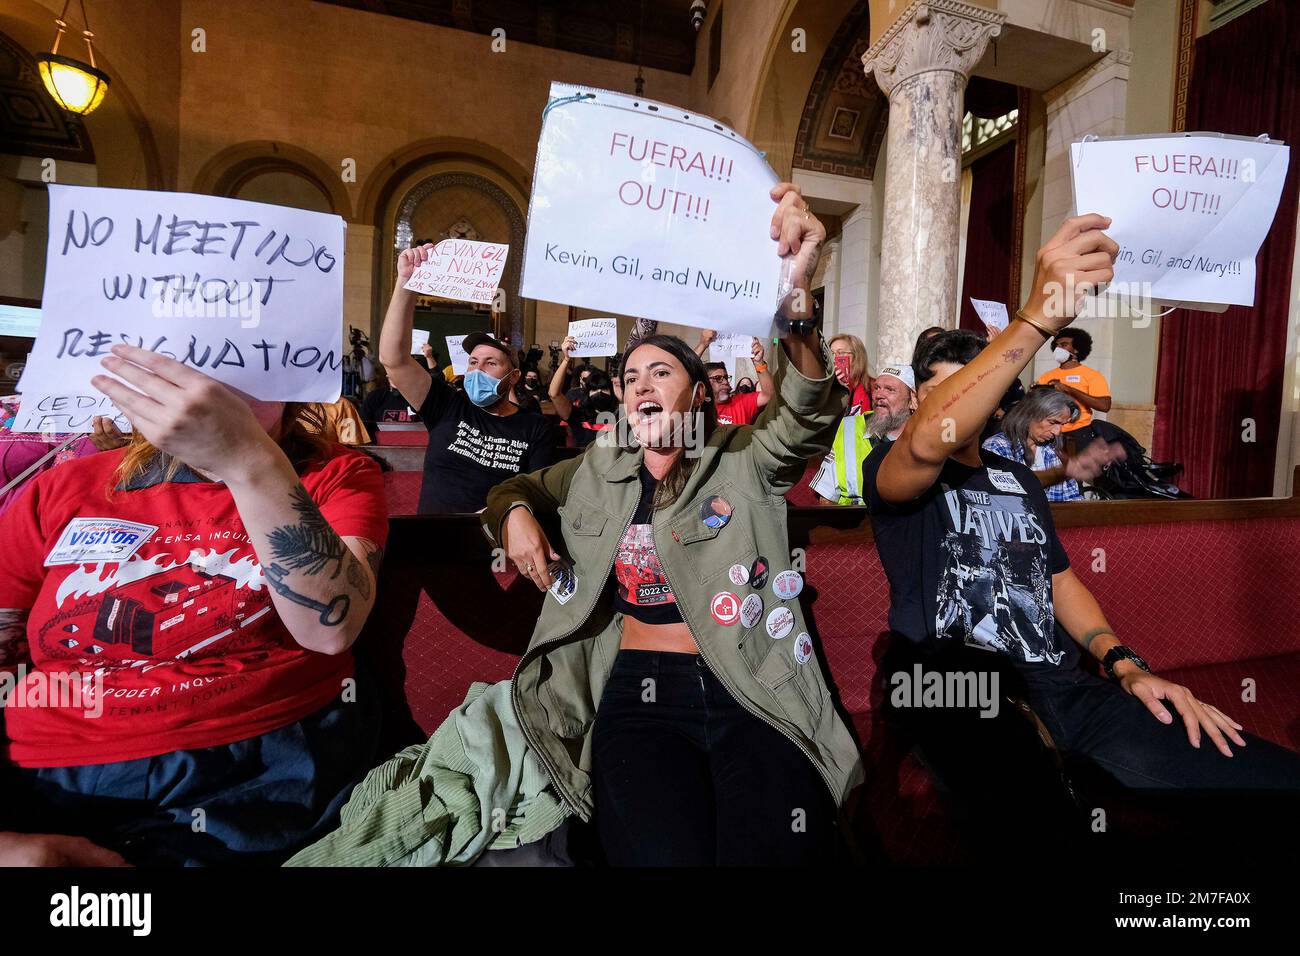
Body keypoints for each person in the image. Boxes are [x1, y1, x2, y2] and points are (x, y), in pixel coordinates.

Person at [862, 215, 1300, 850]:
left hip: (1061, 680)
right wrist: (1038, 315)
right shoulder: (896, 467)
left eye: (969, 387)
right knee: (1043, 827)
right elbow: (931, 438)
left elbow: (1060, 581)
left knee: (1263, 780)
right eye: (938, 387)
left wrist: (1125, 665)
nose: (951, 399)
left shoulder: (1017, 478)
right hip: (949, 680)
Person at [480, 183, 864, 865]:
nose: (642, 385)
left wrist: (797, 294)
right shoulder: (599, 468)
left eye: (662, 371)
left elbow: (806, 413)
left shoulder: (745, 459)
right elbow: (515, 487)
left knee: (779, 850)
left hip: (750, 679)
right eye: (630, 378)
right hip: (638, 688)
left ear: (697, 391)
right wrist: (513, 515)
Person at [0, 345, 387, 866]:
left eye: (251, 360)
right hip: (49, 768)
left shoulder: (334, 476)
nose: (208, 386)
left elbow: (331, 626)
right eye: (195, 358)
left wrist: (248, 462)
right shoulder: (64, 486)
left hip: (253, 768)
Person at [378, 243, 554, 514]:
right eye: (473, 362)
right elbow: (394, 359)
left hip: (495, 545)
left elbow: (539, 495)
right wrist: (406, 282)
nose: (477, 370)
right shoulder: (447, 405)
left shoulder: (534, 427)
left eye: (491, 363)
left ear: (514, 375)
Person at [982, 384, 1125, 501]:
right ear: (1029, 414)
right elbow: (1006, 494)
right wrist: (1063, 472)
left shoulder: (1052, 452)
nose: (1057, 432)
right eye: (1052, 422)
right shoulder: (997, 448)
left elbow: (1072, 501)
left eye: (1062, 425)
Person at [812, 363, 915, 506]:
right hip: (854, 524)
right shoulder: (848, 428)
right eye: (877, 388)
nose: (879, 395)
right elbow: (826, 498)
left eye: (890, 390)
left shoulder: (924, 438)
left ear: (912, 400)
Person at [0, 399, 126, 515]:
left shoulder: (129, 420)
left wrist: (119, 453)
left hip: (72, 528)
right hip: (10, 530)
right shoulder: (8, 408)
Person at [1036, 326, 1111, 445]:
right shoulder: (1046, 376)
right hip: (1050, 433)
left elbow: (1104, 405)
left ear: (1076, 349)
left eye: (1064, 345)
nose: (1058, 348)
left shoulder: (1092, 375)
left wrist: (1069, 389)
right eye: (1056, 345)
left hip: (1079, 433)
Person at [549, 337, 618, 448]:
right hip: (585, 461)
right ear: (587, 392)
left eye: (604, 388)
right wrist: (566, 359)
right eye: (594, 389)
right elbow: (554, 394)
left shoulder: (619, 414)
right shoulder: (578, 415)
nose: (599, 392)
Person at [697, 334, 775, 425]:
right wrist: (702, 345)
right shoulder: (697, 406)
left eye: (726, 377)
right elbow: (684, 371)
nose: (725, 382)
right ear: (705, 383)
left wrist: (759, 363)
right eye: (718, 378)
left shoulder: (742, 402)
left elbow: (769, 395)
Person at [359, 364, 418, 435]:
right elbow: (362, 426)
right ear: (388, 376)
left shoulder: (420, 398)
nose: (397, 378)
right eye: (394, 373)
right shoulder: (375, 397)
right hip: (380, 444)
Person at [829, 334, 873, 413]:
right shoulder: (826, 389)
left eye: (841, 353)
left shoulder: (874, 387)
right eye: (831, 353)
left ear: (857, 357)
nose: (834, 358)